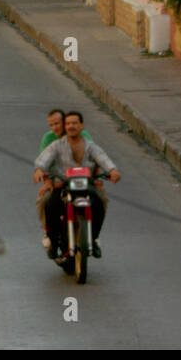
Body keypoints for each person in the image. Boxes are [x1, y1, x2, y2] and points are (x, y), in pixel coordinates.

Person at [33, 111, 120, 258]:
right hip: (63, 185)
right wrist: (39, 170)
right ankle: (53, 242)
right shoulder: (56, 145)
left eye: (74, 123)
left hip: (86, 185)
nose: (71, 126)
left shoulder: (90, 145)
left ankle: (94, 238)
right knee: (49, 204)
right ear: (65, 127)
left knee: (100, 202)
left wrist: (112, 170)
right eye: (68, 124)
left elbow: (102, 157)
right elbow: (44, 159)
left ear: (82, 126)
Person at [35, 108, 91, 236]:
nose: (54, 128)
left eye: (57, 123)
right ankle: (48, 232)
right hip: (59, 180)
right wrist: (48, 181)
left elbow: (95, 157)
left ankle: (94, 234)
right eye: (51, 125)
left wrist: (98, 179)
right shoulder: (48, 138)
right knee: (43, 200)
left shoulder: (82, 136)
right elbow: (45, 162)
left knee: (101, 199)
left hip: (82, 179)